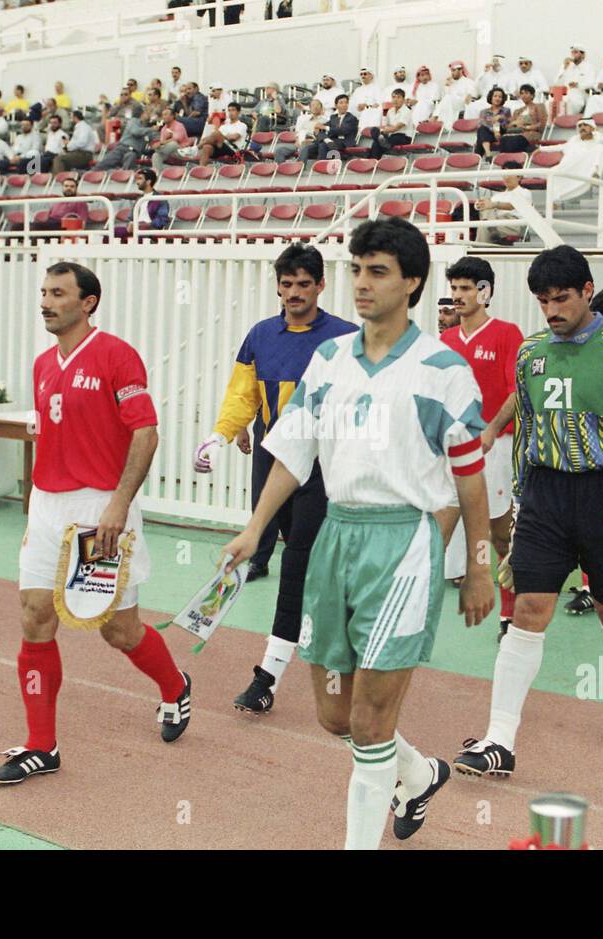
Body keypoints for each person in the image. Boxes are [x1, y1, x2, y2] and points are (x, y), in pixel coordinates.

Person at [221, 218, 494, 849]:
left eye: (378, 272)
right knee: (334, 714)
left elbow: (471, 481)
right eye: (357, 270)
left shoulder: (442, 369)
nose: (362, 284)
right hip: (334, 539)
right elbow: (292, 451)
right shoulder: (330, 358)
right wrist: (254, 528)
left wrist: (478, 565)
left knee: (370, 723)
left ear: (413, 283)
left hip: (403, 546)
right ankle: (420, 773)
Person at [455, 245, 603, 774]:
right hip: (546, 497)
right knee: (529, 611)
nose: (552, 310)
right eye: (542, 301)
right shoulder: (531, 352)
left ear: (586, 291)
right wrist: (521, 494)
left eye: (561, 299)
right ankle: (499, 742)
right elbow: (527, 430)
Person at [0, 261, 191, 785]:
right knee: (35, 614)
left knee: (117, 630)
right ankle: (42, 746)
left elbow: (145, 433)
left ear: (88, 302)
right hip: (47, 504)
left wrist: (118, 505)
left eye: (58, 293)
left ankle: (174, 687)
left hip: (101, 507)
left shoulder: (116, 355)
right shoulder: (41, 364)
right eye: (43, 293)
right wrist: (37, 513)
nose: (46, 302)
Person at [194, 246, 357, 713]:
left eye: (303, 284)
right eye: (286, 285)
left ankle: (267, 676)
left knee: (298, 566)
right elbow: (241, 395)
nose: (294, 294)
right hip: (272, 463)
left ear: (321, 285)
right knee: (274, 557)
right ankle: (323, 654)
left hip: (323, 469)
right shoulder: (260, 335)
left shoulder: (345, 339)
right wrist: (219, 436)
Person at [437, 258, 524, 639]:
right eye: (454, 288)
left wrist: (490, 430)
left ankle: (509, 614)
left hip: (495, 451)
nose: (457, 296)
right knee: (435, 533)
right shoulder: (445, 341)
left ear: (485, 292)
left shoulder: (507, 334)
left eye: (466, 288)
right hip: (452, 453)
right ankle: (412, 616)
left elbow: (517, 390)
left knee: (499, 536)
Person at [549, 118, 603, 205]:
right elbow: (560, 147)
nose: (582, 128)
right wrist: (540, 149)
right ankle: (554, 202)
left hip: (589, 166)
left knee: (600, 148)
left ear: (592, 128)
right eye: (580, 126)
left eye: (585, 125)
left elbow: (600, 139)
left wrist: (595, 132)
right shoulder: (574, 140)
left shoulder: (598, 140)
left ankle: (596, 174)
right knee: (553, 174)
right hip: (572, 165)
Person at [474, 173, 531, 244]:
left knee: (484, 225)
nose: (506, 178)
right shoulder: (498, 195)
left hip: (513, 223)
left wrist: (493, 204)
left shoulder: (524, 192)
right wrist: (479, 204)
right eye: (504, 175)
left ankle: (479, 251)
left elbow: (511, 206)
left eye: (509, 175)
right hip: (496, 221)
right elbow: (480, 207)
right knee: (486, 205)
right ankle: (492, 228)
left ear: (519, 177)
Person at [196, 101, 248, 166]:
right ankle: (201, 170)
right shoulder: (224, 126)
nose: (231, 113)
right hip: (221, 147)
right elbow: (215, 137)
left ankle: (195, 149)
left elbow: (234, 137)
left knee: (216, 134)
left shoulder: (242, 125)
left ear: (239, 112)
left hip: (233, 149)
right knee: (207, 147)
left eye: (233, 110)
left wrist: (221, 136)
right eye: (229, 110)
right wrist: (222, 136)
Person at [278, 98, 326, 164]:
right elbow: (298, 132)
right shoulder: (302, 118)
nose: (315, 107)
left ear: (321, 108)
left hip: (313, 142)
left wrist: (307, 140)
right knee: (280, 150)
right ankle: (281, 169)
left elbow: (321, 135)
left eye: (317, 105)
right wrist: (298, 140)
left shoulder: (325, 120)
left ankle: (299, 168)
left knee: (305, 147)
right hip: (299, 142)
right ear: (310, 108)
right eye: (313, 105)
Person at [311, 95, 357, 161]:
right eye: (341, 103)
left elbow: (342, 130)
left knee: (323, 144)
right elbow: (320, 130)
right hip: (332, 141)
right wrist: (326, 139)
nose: (344, 105)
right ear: (336, 105)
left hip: (345, 142)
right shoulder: (333, 117)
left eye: (346, 102)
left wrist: (325, 127)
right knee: (316, 145)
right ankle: (322, 165)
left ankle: (322, 165)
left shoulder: (352, 118)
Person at [369, 89, 411, 158]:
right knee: (374, 134)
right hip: (391, 137)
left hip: (404, 137)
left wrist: (382, 131)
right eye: (393, 97)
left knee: (379, 142)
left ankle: (382, 143)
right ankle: (373, 162)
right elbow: (386, 126)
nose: (395, 100)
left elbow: (396, 128)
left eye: (398, 97)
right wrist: (381, 131)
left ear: (403, 100)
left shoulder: (406, 111)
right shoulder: (390, 111)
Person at [556, 45, 596, 116]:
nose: (573, 55)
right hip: (564, 94)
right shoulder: (566, 66)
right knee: (551, 103)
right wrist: (565, 67)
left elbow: (592, 83)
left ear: (583, 55)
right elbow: (557, 83)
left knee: (567, 105)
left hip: (578, 96)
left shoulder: (588, 67)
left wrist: (578, 85)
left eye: (576, 52)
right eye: (572, 52)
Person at [474, 87, 511, 160]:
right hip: (489, 134)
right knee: (481, 129)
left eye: (500, 97)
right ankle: (488, 154)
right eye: (495, 96)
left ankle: (477, 158)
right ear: (491, 97)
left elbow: (506, 125)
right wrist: (494, 130)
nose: (497, 98)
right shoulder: (484, 112)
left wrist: (498, 120)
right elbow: (482, 123)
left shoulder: (506, 110)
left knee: (480, 136)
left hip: (501, 134)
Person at [350, 67, 383, 134]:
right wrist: (357, 107)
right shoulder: (357, 90)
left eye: (365, 74)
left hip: (371, 115)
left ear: (371, 76)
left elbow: (379, 104)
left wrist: (367, 106)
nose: (363, 76)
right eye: (361, 74)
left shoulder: (377, 88)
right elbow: (351, 104)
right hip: (357, 115)